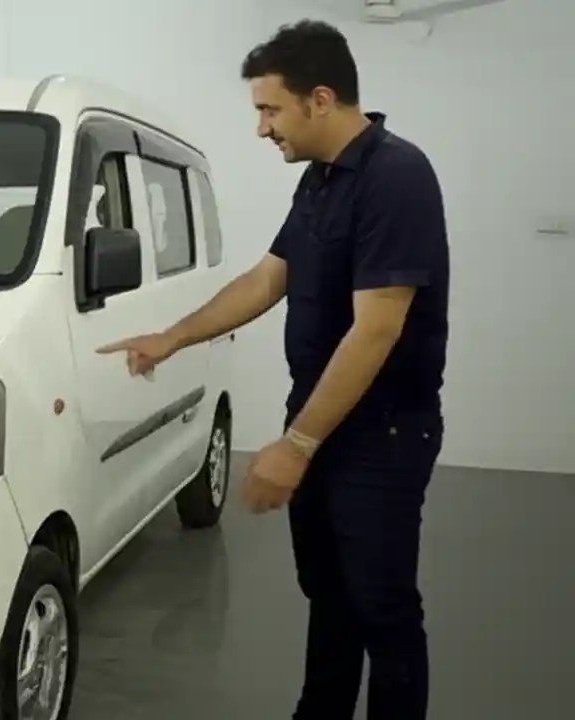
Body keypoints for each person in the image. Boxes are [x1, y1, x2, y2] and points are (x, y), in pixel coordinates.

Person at [96, 19, 450, 720]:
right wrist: (174, 336)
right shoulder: (320, 181)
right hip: (319, 418)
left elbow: (377, 328)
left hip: (380, 435)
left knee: (382, 607)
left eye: (270, 109)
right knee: (330, 593)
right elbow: (267, 279)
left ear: (321, 99)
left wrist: (298, 445)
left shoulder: (396, 176)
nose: (262, 129)